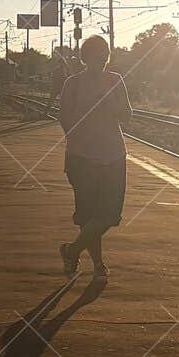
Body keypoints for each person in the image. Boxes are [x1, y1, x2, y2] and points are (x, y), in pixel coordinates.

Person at [58, 35, 131, 282]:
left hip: (113, 155)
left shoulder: (115, 80)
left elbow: (127, 115)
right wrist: (80, 136)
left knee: (110, 215)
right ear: (85, 57)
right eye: (93, 55)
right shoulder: (73, 84)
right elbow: (64, 118)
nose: (98, 60)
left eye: (102, 55)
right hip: (82, 157)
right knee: (88, 215)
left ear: (106, 57)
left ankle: (72, 250)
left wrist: (111, 103)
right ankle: (98, 265)